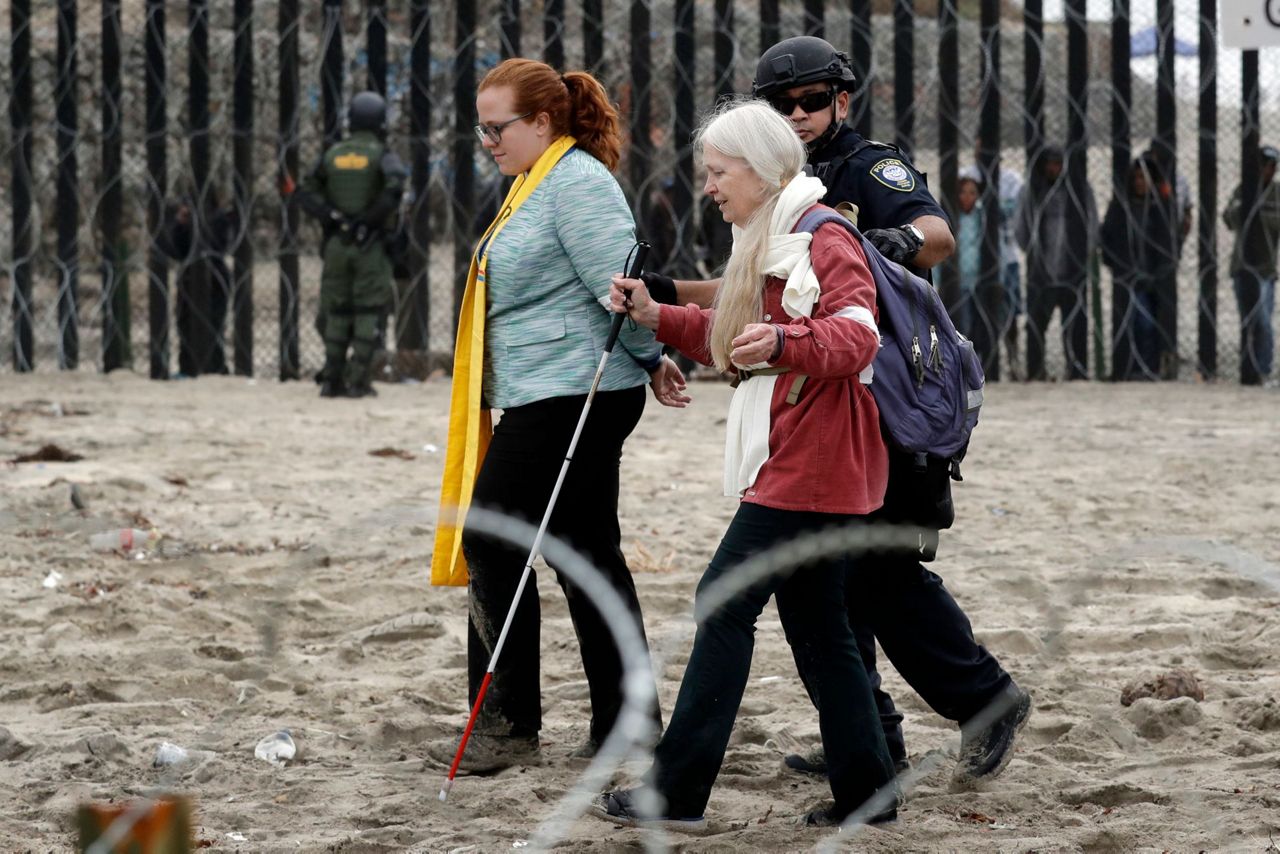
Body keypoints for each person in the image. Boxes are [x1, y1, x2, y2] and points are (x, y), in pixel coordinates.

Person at [642, 36, 1028, 788]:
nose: (798, 114)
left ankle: (983, 701)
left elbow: (937, 237)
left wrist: (888, 240)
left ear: (841, 102)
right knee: (823, 585)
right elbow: (754, 295)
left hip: (884, 399)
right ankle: (868, 742)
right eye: (780, 105)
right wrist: (666, 300)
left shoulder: (862, 168)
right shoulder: (765, 183)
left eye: (813, 100)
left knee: (879, 569)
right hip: (817, 397)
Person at [593, 100, 897, 830]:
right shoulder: (770, 235)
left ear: (761, 173)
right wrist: (655, 315)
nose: (709, 186)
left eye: (719, 172)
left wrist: (787, 344)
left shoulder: (824, 238)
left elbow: (858, 340)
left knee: (723, 607)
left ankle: (678, 792)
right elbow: (733, 341)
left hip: (814, 455)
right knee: (823, 631)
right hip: (805, 450)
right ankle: (869, 795)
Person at [427, 58, 689, 774]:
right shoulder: (531, 183)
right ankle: (628, 724)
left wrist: (650, 356)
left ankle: (508, 723)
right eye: (479, 129)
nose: (487, 140)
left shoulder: (575, 185)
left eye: (497, 127)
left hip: (577, 393)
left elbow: (622, 291)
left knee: (491, 535)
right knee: (585, 551)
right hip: (552, 389)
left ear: (542, 122)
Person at [297, 91, 408, 398]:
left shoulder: (334, 154)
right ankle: (358, 380)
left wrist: (334, 217)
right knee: (368, 311)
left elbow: (305, 191)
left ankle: (331, 379)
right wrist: (366, 222)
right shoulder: (381, 154)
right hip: (369, 246)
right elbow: (395, 187)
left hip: (336, 244)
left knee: (337, 310)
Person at [1015, 145, 1097, 381]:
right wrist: (1033, 254)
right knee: (1037, 324)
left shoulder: (1079, 190)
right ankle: (1036, 371)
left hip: (1072, 270)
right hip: (1041, 271)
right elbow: (1021, 226)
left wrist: (1082, 255)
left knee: (1076, 326)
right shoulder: (1031, 191)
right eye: (1050, 163)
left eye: (1058, 163)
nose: (1054, 169)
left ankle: (1077, 370)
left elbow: (1091, 223)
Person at [1100, 156, 1179, 381]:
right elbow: (1107, 236)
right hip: (1128, 276)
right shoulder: (1122, 207)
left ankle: (1148, 367)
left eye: (1143, 178)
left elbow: (1170, 239)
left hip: (1153, 277)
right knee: (1132, 324)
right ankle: (1130, 368)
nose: (1139, 183)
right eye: (1135, 178)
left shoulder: (1159, 208)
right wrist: (1115, 264)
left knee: (1148, 324)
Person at [158, 188, 239, 377]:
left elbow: (217, 246)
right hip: (188, 277)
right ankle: (187, 368)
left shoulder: (220, 221)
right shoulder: (184, 222)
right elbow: (176, 251)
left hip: (215, 278)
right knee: (184, 324)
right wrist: (181, 224)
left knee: (214, 326)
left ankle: (215, 368)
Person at [1224, 144, 1280, 385]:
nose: (1267, 170)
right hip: (1242, 266)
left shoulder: (1276, 194)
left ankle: (1263, 369)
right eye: (1264, 164)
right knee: (1248, 320)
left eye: (1271, 165)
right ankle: (1249, 370)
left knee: (1264, 322)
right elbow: (1229, 218)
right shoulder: (1243, 190)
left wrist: (1258, 213)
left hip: (1265, 268)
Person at [939, 172, 985, 339]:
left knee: (981, 325)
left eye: (972, 193)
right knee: (963, 324)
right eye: (963, 192)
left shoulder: (982, 216)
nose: (967, 197)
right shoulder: (951, 218)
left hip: (980, 279)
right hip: (959, 281)